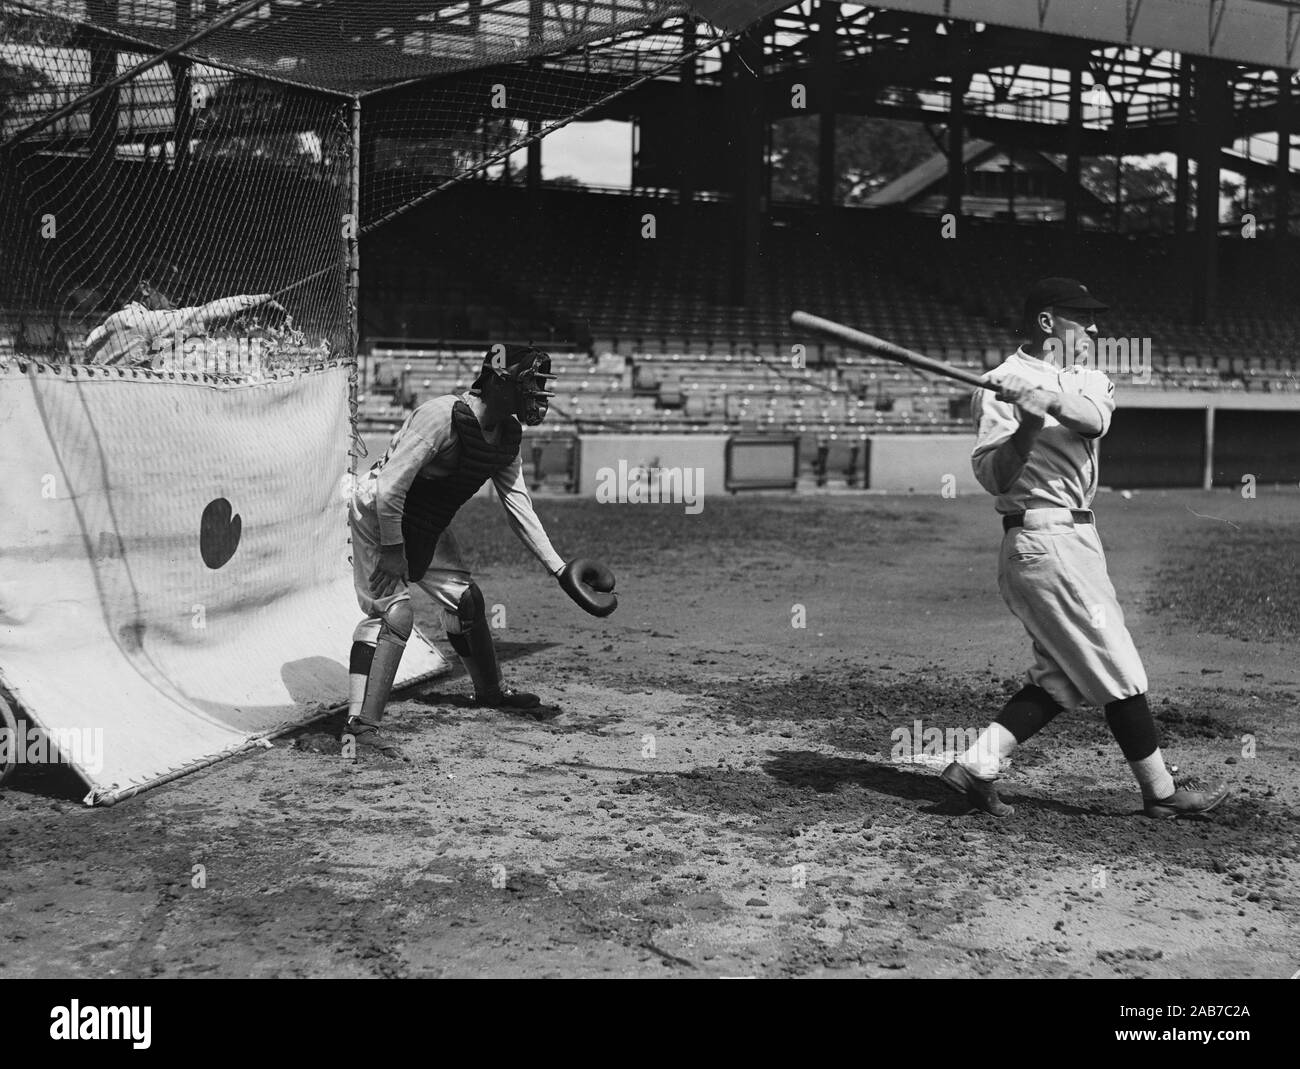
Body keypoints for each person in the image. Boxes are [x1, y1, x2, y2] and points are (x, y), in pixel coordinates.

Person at [941, 277, 1230, 820]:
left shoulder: (1090, 378)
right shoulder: (999, 384)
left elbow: (1094, 420)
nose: (1095, 328)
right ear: (1047, 322)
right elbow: (997, 479)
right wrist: (1025, 426)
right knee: (1119, 666)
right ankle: (1162, 793)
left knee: (1061, 676)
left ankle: (975, 767)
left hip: (1076, 537)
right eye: (1082, 317)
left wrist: (1046, 400)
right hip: (1041, 538)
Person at [345, 343, 617, 758]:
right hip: (377, 510)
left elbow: (518, 505)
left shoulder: (507, 436)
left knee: (466, 602)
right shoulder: (441, 416)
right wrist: (392, 548)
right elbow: (389, 489)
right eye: (530, 383)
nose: (537, 394)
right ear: (499, 379)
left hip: (423, 516)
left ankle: (490, 692)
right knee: (393, 614)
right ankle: (360, 729)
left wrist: (559, 570)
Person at [81, 272, 288, 369]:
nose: (177, 297)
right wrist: (260, 300)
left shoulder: (99, 331)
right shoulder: (138, 322)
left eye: (181, 290)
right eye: (170, 288)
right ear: (145, 288)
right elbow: (202, 315)